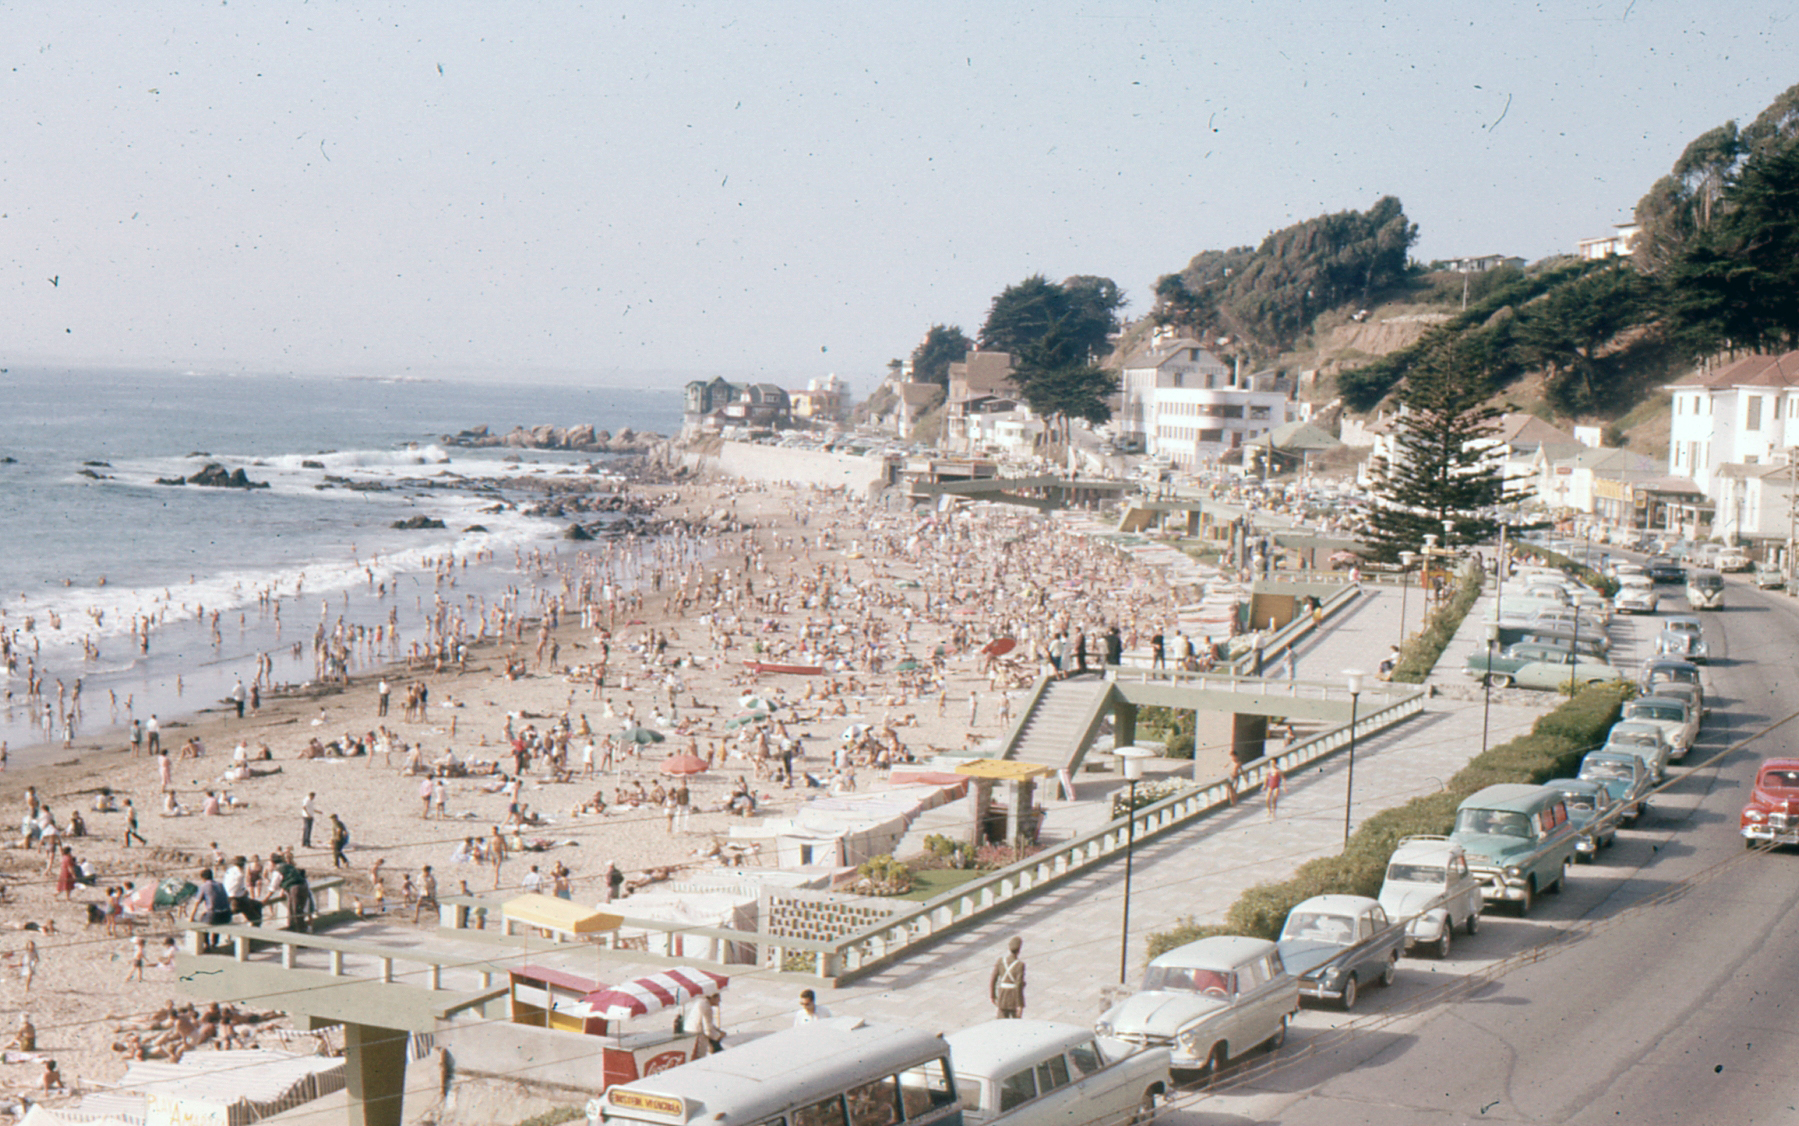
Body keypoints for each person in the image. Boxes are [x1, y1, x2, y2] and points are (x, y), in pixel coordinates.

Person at [190, 867, 233, 951]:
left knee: (203, 922)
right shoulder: (220, 885)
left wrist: (191, 917)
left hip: (215, 915)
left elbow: (197, 903)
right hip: (227, 915)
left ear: (203, 878)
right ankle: (214, 943)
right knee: (215, 920)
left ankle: (206, 944)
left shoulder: (204, 886)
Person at [990, 936, 1026, 1018]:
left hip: (1002, 996)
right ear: (1019, 950)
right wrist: (1020, 1004)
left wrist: (993, 995)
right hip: (1014, 999)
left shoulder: (1000, 961)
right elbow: (1018, 985)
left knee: (1001, 1022)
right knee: (1015, 1025)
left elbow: (993, 979)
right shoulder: (1020, 965)